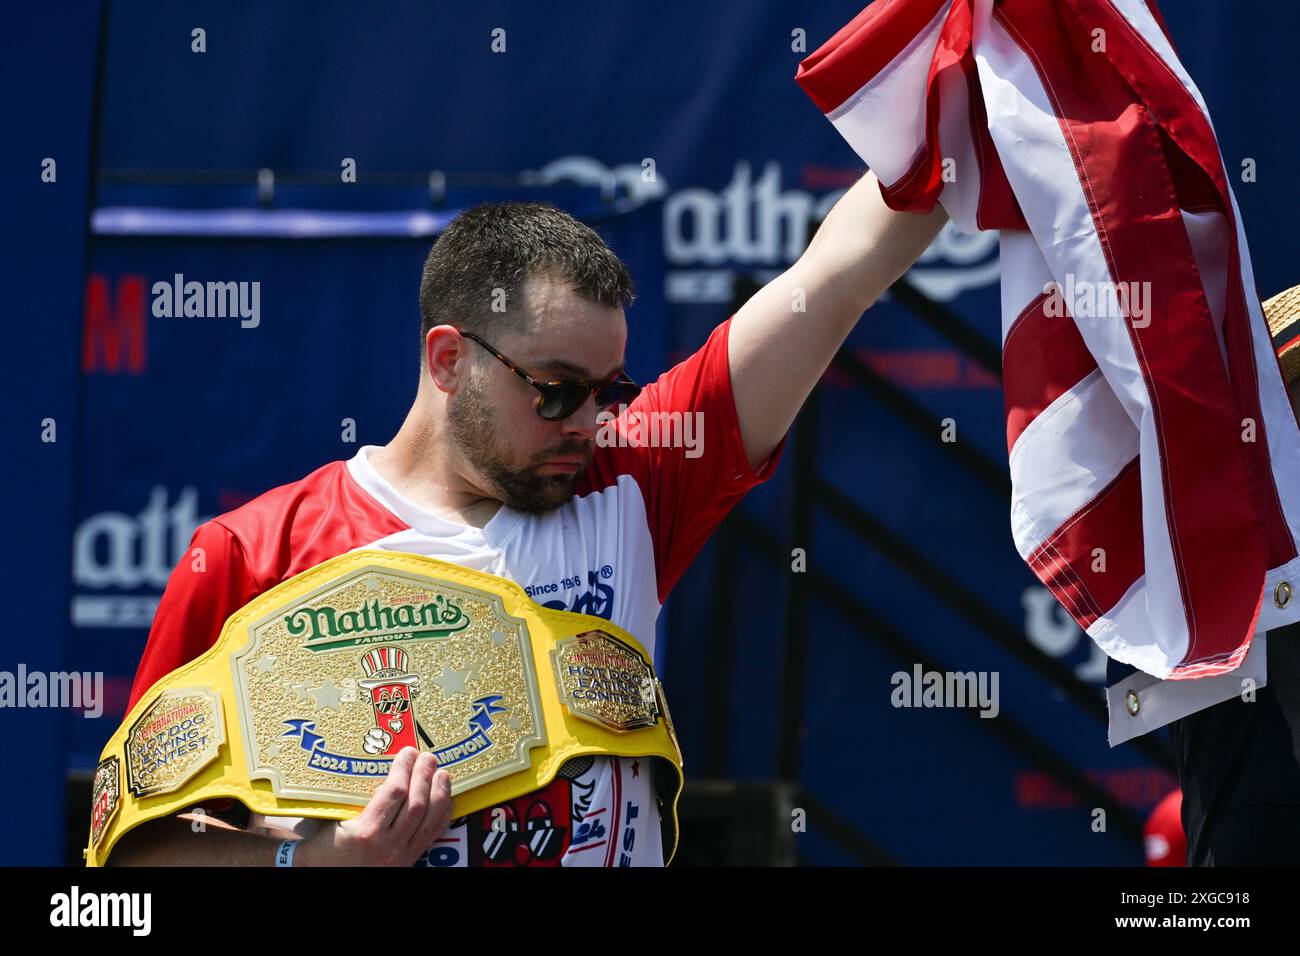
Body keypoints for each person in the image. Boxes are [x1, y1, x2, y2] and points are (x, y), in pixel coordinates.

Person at [108, 180, 948, 867]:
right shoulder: (256, 553)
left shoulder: (633, 480)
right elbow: (133, 864)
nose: (586, 421)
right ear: (448, 359)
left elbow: (840, 271)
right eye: (554, 387)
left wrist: (982, 89)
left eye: (609, 390)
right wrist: (321, 862)